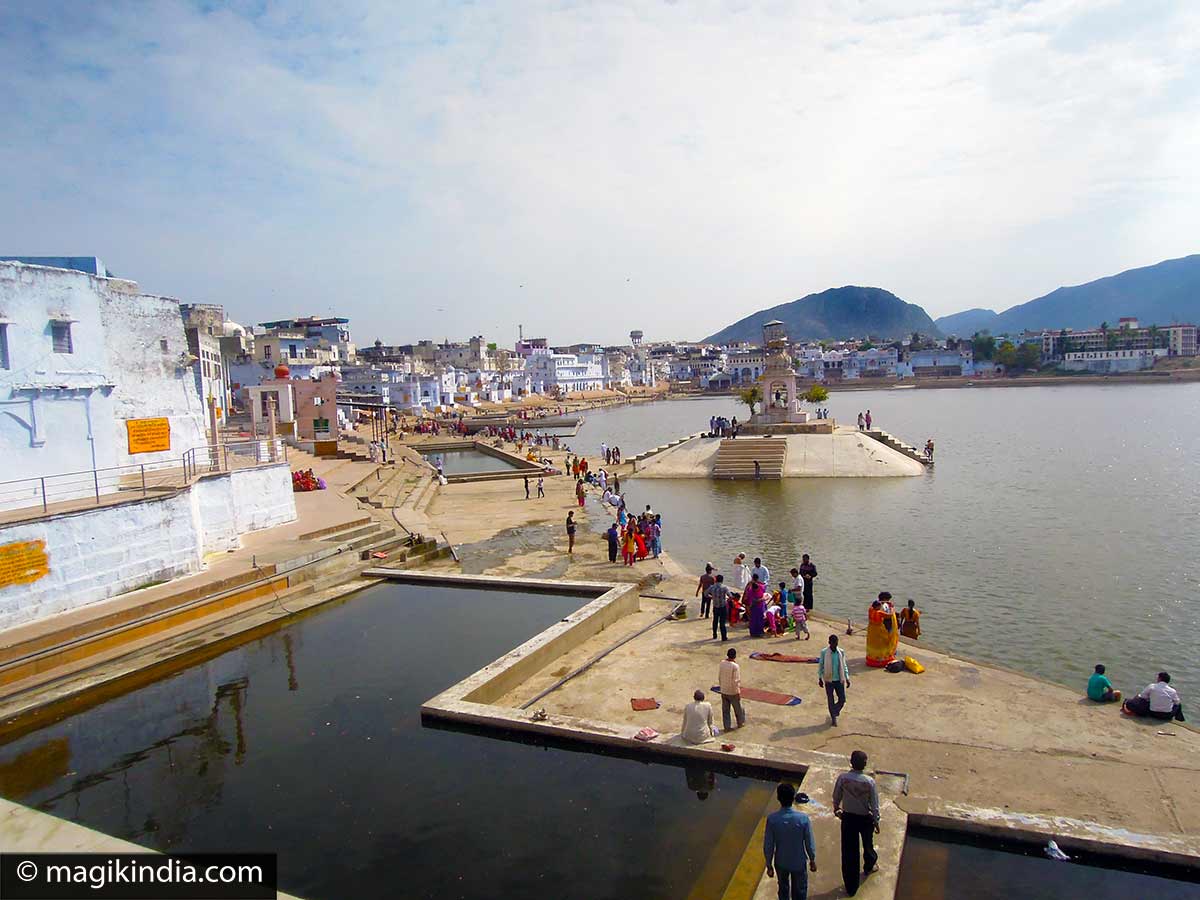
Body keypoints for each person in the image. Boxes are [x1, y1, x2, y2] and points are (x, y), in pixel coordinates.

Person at [834, 750, 880, 897]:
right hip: (865, 819)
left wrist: (836, 808)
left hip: (848, 819)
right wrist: (876, 820)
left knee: (849, 852)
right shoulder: (869, 782)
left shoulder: (843, 778)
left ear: (851, 763)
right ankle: (869, 866)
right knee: (867, 845)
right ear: (864, 764)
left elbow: (836, 795)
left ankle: (851, 886)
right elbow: (874, 804)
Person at [764, 782, 817, 900]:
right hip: (798, 861)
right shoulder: (803, 819)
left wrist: (769, 864)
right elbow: (809, 842)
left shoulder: (772, 820)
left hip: (781, 862)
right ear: (793, 798)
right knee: (800, 890)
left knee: (783, 889)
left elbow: (768, 845)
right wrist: (812, 859)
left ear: (778, 798)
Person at [818, 634, 850, 726]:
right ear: (829, 643)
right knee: (830, 699)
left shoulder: (841, 652)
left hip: (839, 679)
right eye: (833, 644)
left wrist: (847, 678)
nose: (834, 646)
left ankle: (834, 711)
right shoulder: (824, 652)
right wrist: (820, 678)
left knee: (842, 699)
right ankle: (833, 718)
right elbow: (821, 665)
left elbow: (844, 666)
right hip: (829, 680)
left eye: (836, 644)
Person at [864, 593, 899, 668]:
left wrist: (884, 602)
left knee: (873, 645)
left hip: (872, 631)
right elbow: (890, 615)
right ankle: (882, 660)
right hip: (879, 631)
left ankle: (872, 659)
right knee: (883, 644)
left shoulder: (870, 609)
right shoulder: (879, 612)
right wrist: (892, 607)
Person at [719, 648, 746, 731]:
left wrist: (722, 686)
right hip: (732, 691)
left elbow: (719, 676)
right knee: (738, 709)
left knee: (725, 710)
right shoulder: (735, 666)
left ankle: (727, 727)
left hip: (724, 690)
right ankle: (740, 723)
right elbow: (736, 681)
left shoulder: (722, 663)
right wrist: (737, 692)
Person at [710, 574, 731, 641]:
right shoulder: (724, 587)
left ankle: (714, 635)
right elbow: (730, 595)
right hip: (722, 606)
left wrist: (712, 597)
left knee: (715, 621)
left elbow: (705, 593)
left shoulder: (712, 587)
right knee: (722, 623)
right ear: (722, 580)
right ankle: (723, 637)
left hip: (715, 606)